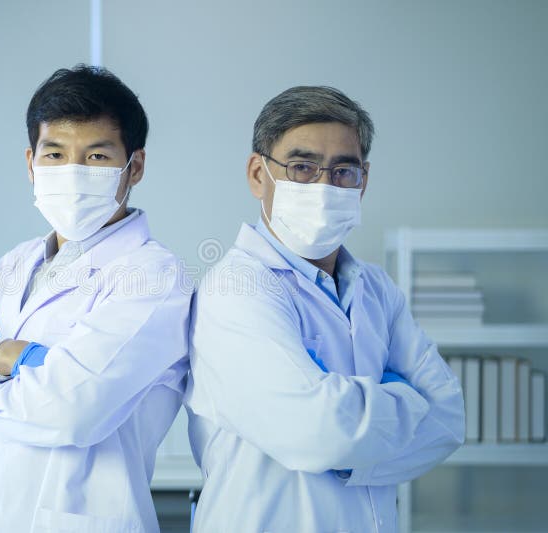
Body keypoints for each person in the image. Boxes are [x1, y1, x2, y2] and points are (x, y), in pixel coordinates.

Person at [0, 65, 191, 533]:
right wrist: (5, 356)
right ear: (31, 163)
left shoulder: (153, 277)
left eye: (96, 157)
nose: (71, 173)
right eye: (54, 153)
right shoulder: (18, 264)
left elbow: (71, 411)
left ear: (134, 166)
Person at [183, 86, 465, 532]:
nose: (323, 185)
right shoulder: (236, 288)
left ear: (363, 181)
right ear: (258, 174)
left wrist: (348, 432)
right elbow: (315, 431)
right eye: (301, 167)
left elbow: (449, 419)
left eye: (343, 172)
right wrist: (409, 398)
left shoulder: (376, 288)